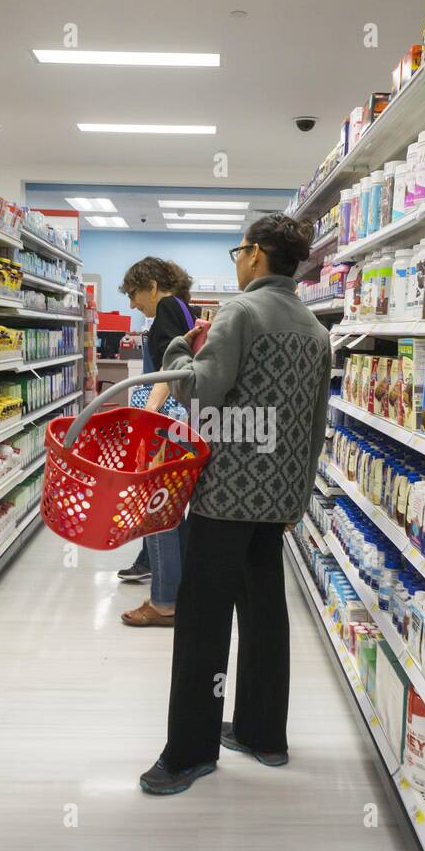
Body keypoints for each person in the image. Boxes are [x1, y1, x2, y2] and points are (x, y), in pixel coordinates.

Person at [139, 214, 330, 794]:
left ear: (257, 255)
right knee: (265, 613)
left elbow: (203, 387)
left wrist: (179, 346)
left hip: (226, 495)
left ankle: (189, 752)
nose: (237, 260)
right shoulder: (316, 329)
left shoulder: (241, 313)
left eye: (239, 251)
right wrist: (298, 493)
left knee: (201, 620)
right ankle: (263, 733)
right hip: (277, 501)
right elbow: (315, 424)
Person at [118, 257, 196, 627]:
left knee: (156, 509)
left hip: (165, 421)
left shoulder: (166, 306)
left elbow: (171, 366)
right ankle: (178, 593)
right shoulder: (182, 306)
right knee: (172, 509)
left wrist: (150, 410)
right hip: (178, 418)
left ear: (151, 284)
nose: (132, 303)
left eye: (134, 294)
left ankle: (164, 602)